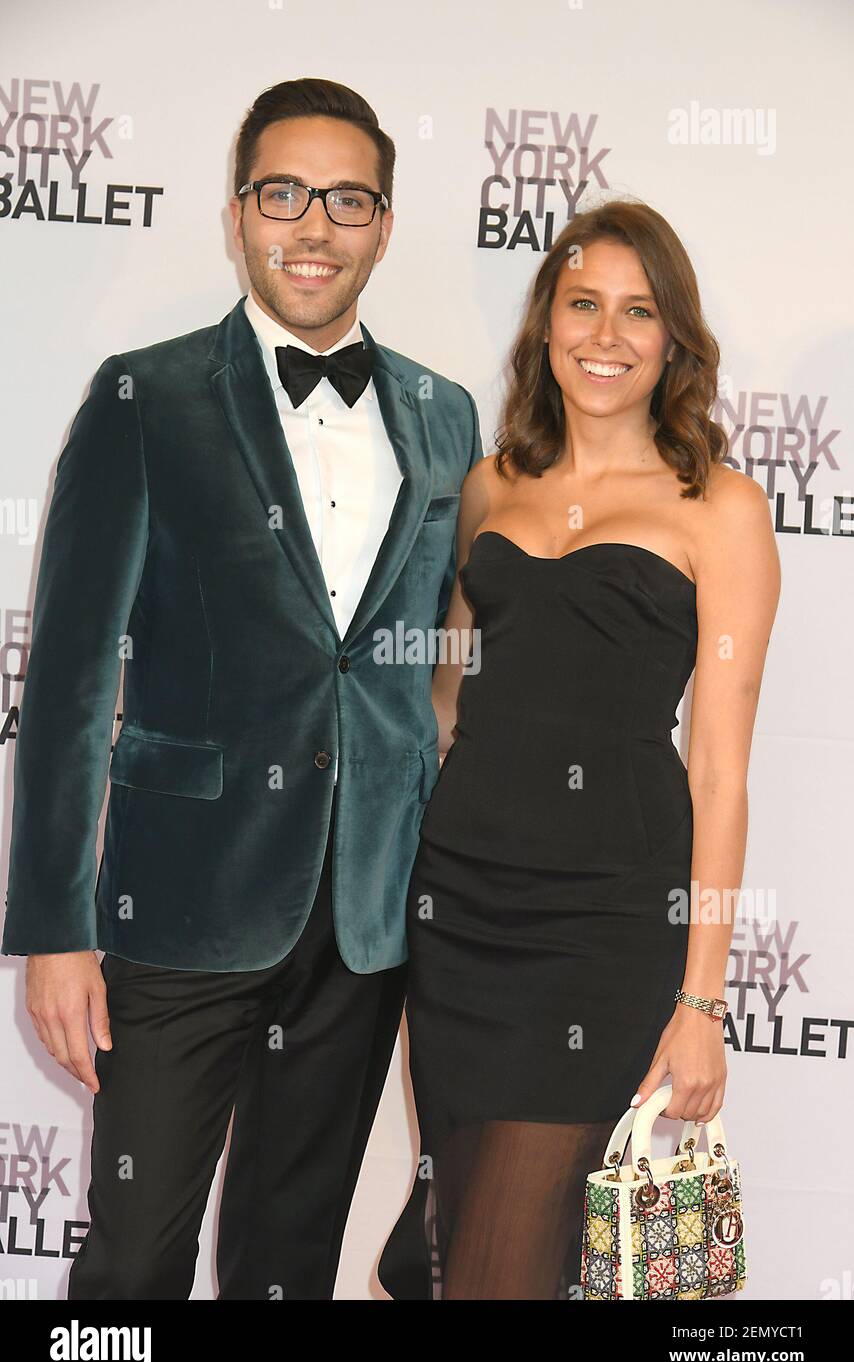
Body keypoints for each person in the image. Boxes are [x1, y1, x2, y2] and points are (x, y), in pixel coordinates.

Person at [2, 77, 482, 1300]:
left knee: (289, 1259)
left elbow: (444, 662)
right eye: (284, 193)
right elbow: (65, 681)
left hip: (364, 916)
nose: (313, 225)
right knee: (129, 1263)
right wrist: (54, 926)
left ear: (383, 221)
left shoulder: (443, 415)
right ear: (235, 211)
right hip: (179, 910)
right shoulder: (142, 396)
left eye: (346, 199)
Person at [378, 199, 780, 1300]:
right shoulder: (488, 484)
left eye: (636, 312)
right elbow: (446, 700)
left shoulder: (720, 509)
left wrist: (699, 1004)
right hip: (456, 913)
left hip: (603, 929)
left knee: (504, 1264)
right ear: (544, 326)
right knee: (462, 1244)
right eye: (582, 305)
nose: (605, 335)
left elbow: (718, 771)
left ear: (672, 340)